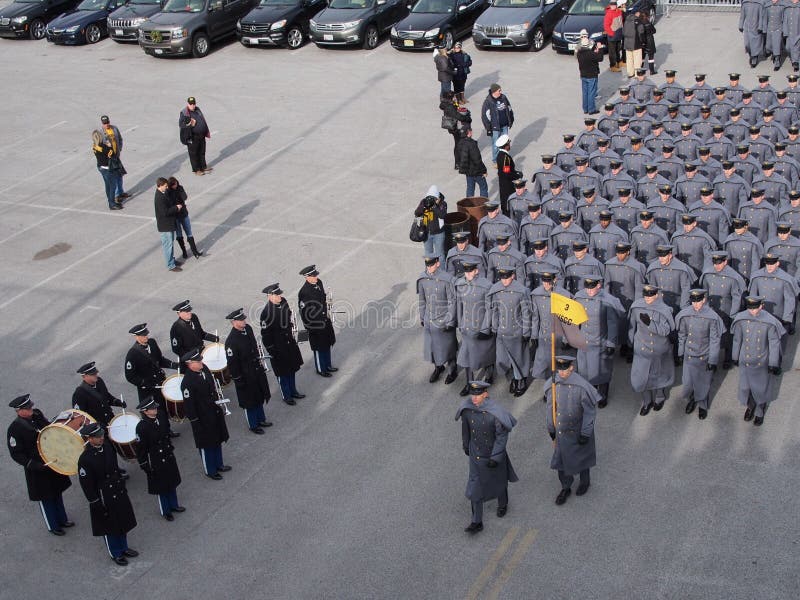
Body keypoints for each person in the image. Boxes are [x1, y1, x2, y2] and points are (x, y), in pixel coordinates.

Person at [455, 380, 518, 534]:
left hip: (492, 454)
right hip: (476, 455)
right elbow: (466, 430)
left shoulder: (495, 414)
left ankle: (503, 504)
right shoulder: (467, 410)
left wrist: (495, 457)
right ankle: (476, 521)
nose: (474, 398)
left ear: (485, 394)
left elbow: (501, 437)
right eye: (473, 394)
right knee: (475, 487)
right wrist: (466, 446)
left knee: (499, 480)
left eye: (478, 394)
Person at [6, 394, 73, 536]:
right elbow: (16, 454)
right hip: (36, 469)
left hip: (50, 460)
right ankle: (53, 525)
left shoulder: (36, 415)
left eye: (30, 406)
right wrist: (33, 465)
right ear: (19, 411)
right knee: (46, 498)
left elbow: (48, 427)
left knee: (57, 492)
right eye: (27, 408)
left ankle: (62, 519)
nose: (31, 409)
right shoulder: (15, 429)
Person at [77, 422, 138, 565]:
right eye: (97, 437)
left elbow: (115, 469)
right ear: (90, 439)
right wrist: (95, 502)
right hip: (103, 495)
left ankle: (124, 547)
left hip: (116, 489)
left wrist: (121, 485)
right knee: (110, 526)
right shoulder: (85, 459)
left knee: (122, 521)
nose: (101, 438)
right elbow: (87, 485)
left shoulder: (108, 448)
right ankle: (115, 552)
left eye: (101, 435)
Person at [545, 356, 600, 505]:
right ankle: (565, 487)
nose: (562, 373)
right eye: (559, 370)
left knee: (582, 458)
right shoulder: (553, 385)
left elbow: (589, 412)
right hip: (562, 431)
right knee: (561, 461)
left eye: (565, 369)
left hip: (578, 429)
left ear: (571, 368)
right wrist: (551, 427)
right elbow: (550, 408)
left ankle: (585, 482)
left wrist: (586, 432)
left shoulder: (582, 387)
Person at [731, 296, 785, 426]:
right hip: (746, 358)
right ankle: (751, 406)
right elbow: (738, 339)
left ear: (761, 306)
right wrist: (735, 356)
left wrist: (773, 363)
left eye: (755, 308)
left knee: (760, 389)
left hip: (762, 360)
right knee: (745, 387)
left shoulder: (770, 322)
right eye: (750, 308)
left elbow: (773, 344)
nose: (752, 311)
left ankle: (760, 411)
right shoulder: (741, 319)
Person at [180, 349, 232, 479]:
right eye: (198, 361)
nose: (201, 362)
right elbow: (189, 406)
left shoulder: (204, 369)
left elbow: (212, 387)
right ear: (190, 364)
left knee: (217, 439)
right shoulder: (187, 382)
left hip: (213, 411)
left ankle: (219, 463)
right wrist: (196, 422)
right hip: (202, 417)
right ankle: (210, 470)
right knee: (207, 444)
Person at [574, 277, 624, 408]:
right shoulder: (579, 297)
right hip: (583, 341)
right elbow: (575, 319)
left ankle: (602, 395)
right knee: (584, 371)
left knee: (602, 370)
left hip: (600, 342)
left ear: (599, 285)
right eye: (587, 287)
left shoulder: (607, 301)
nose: (589, 291)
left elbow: (612, 324)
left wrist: (611, 344)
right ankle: (587, 394)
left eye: (592, 287)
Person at [124, 323, 180, 438]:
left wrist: (174, 365)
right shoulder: (132, 354)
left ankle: (166, 430)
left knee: (162, 409)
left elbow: (160, 360)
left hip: (159, 383)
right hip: (148, 390)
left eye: (146, 334)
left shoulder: (152, 343)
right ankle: (156, 436)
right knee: (152, 413)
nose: (146, 337)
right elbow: (130, 376)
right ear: (136, 337)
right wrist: (144, 383)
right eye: (143, 335)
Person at [675, 289, 724, 420]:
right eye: (693, 301)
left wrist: (713, 360)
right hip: (689, 354)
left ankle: (702, 405)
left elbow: (714, 340)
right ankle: (692, 399)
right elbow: (682, 335)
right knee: (688, 382)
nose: (696, 304)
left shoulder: (712, 317)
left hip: (704, 354)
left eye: (698, 301)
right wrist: (680, 352)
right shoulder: (685, 315)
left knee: (703, 382)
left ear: (704, 300)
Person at [134, 396, 183, 521]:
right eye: (151, 408)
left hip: (167, 454)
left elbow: (165, 434)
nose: (155, 409)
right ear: (145, 411)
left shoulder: (160, 417)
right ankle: (166, 510)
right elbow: (141, 449)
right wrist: (144, 464)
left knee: (171, 482)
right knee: (162, 487)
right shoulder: (142, 427)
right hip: (155, 459)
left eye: (154, 407)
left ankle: (174, 505)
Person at [628, 285, 675, 413]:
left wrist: (650, 323)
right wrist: (630, 342)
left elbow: (665, 331)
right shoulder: (636, 307)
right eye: (645, 295)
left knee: (659, 374)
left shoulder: (664, 310)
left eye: (650, 295)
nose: (647, 298)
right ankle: (646, 401)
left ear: (656, 295)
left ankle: (659, 397)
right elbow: (632, 326)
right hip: (641, 347)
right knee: (642, 376)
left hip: (658, 348)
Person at [225, 308, 272, 434]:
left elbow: (254, 346)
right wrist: (239, 381)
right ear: (234, 322)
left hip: (255, 370)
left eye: (244, 318)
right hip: (245, 375)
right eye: (241, 320)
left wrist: (259, 359)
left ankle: (261, 419)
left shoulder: (248, 329)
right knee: (249, 401)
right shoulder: (231, 341)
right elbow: (233, 364)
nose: (244, 321)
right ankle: (253, 424)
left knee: (259, 395)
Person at [488, 268, 532, 396]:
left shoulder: (521, 290)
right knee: (502, 359)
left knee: (519, 359)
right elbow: (495, 310)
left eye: (507, 277)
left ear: (512, 276)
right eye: (502, 277)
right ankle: (512, 377)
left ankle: (521, 381)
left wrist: (526, 332)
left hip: (516, 331)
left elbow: (526, 313)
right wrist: (494, 327)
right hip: (502, 331)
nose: (504, 280)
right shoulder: (496, 290)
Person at [454, 262, 496, 395]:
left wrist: (485, 329)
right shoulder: (460, 284)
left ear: (476, 271)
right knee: (466, 357)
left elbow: (490, 309)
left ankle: (489, 374)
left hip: (480, 327)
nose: (468, 274)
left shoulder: (486, 286)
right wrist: (460, 323)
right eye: (466, 271)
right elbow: (459, 305)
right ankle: (469, 383)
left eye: (470, 271)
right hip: (467, 327)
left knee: (485, 354)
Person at [260, 283, 305, 404]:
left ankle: (293, 390)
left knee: (292, 369)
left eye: (280, 294)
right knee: (283, 374)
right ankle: (287, 395)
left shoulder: (283, 302)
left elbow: (288, 314)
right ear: (270, 296)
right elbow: (266, 335)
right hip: (278, 348)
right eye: (277, 294)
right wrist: (272, 351)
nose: (280, 296)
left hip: (289, 343)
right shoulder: (266, 313)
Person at [700, 251, 746, 369]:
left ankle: (727, 358)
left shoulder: (733, 276)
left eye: (719, 263)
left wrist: (734, 313)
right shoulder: (708, 274)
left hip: (726, 310)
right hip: (712, 309)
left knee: (727, 337)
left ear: (725, 262)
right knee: (710, 336)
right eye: (715, 263)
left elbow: (736, 297)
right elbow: (705, 291)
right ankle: (712, 360)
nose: (717, 266)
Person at [417, 255, 459, 384]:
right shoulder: (423, 279)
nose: (429, 268)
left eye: (431, 265)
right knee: (433, 346)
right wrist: (422, 316)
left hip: (444, 318)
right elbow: (422, 300)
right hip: (430, 319)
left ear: (437, 263)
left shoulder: (446, 280)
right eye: (427, 265)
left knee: (449, 347)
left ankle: (453, 370)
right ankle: (438, 367)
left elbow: (453, 302)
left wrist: (450, 320)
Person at [298, 265, 337, 376]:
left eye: (316, 275)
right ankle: (321, 369)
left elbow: (322, 299)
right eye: (313, 276)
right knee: (319, 348)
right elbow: (304, 312)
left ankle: (328, 365)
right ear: (307, 277)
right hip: (315, 325)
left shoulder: (318, 283)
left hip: (324, 320)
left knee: (327, 343)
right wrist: (310, 328)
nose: (316, 277)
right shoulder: (304, 292)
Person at [72, 361, 127, 427]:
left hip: (110, 418)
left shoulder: (99, 381)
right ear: (84, 376)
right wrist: (93, 426)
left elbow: (105, 396)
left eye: (96, 373)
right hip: (97, 426)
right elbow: (79, 415)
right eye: (92, 374)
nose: (96, 375)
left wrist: (116, 402)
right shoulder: (79, 393)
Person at [169, 300, 219, 370]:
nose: (189, 313)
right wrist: (191, 358)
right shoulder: (176, 328)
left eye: (189, 310)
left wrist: (213, 338)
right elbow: (176, 349)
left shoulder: (194, 317)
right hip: (190, 359)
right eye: (187, 311)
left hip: (201, 352)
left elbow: (200, 333)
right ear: (179, 313)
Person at [168, 177, 203, 259]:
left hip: (183, 213)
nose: (175, 186)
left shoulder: (180, 188)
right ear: (170, 185)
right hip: (176, 216)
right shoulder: (168, 192)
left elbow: (185, 197)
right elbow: (170, 202)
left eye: (176, 183)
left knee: (189, 232)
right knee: (179, 235)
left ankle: (195, 251)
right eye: (174, 185)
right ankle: (184, 251)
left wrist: (180, 195)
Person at [154, 177, 183, 273]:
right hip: (165, 226)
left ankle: (172, 260)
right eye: (165, 186)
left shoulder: (162, 193)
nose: (167, 188)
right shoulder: (159, 198)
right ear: (160, 186)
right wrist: (176, 207)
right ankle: (171, 265)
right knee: (168, 245)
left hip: (169, 224)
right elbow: (165, 212)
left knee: (170, 244)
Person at [414, 185, 448, 266]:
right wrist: (424, 206)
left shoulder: (442, 203)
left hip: (438, 233)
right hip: (426, 233)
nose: (431, 199)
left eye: (433, 198)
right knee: (428, 255)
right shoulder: (424, 201)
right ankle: (429, 273)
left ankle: (442, 274)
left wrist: (434, 206)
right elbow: (417, 213)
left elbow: (442, 215)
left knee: (440, 256)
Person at [481, 84, 514, 163]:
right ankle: (496, 160)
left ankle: (504, 158)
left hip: (504, 125)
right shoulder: (488, 102)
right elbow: (485, 116)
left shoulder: (503, 97)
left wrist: (511, 120)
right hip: (495, 127)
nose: (500, 92)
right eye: (499, 90)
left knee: (505, 143)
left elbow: (509, 109)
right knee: (496, 145)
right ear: (494, 91)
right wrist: (489, 128)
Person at [179, 96, 211, 176]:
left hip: (201, 135)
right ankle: (196, 170)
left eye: (193, 103)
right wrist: (190, 124)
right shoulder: (184, 113)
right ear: (188, 104)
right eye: (191, 104)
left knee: (202, 152)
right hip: (192, 136)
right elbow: (181, 125)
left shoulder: (197, 109)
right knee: (194, 154)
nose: (192, 105)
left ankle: (203, 166)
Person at [92, 130, 124, 210]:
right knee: (112, 186)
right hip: (107, 168)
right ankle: (112, 204)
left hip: (100, 167)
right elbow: (111, 154)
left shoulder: (95, 146)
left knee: (107, 184)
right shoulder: (104, 147)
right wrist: (109, 146)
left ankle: (110, 200)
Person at [100, 115, 128, 204]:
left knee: (120, 175)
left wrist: (119, 149)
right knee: (114, 177)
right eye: (105, 123)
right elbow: (100, 147)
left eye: (107, 122)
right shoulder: (101, 133)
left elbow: (120, 139)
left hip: (116, 156)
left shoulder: (114, 129)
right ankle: (116, 196)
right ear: (102, 123)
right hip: (110, 159)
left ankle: (121, 192)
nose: (106, 124)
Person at [576, 29, 604, 115]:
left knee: (585, 93)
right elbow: (600, 58)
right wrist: (600, 49)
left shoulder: (579, 53)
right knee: (591, 93)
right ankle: (591, 109)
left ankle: (585, 108)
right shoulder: (591, 54)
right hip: (591, 75)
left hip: (583, 75)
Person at [441, 91, 470, 170]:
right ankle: (458, 163)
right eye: (454, 97)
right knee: (458, 144)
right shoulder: (450, 106)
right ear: (450, 98)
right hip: (455, 127)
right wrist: (466, 116)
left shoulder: (448, 104)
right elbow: (457, 116)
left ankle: (458, 162)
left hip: (453, 126)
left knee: (458, 143)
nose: (455, 98)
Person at [457, 128, 489, 198]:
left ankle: (469, 205)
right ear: (469, 132)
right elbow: (477, 159)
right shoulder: (472, 144)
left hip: (468, 172)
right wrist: (484, 170)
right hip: (477, 171)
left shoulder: (460, 143)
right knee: (483, 187)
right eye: (471, 131)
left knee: (470, 189)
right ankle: (483, 205)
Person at [496, 135, 520, 215]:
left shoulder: (499, 155)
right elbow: (507, 173)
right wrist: (517, 175)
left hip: (503, 184)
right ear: (506, 146)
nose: (510, 145)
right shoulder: (506, 157)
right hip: (508, 186)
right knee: (508, 206)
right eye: (509, 144)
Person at [622, 9, 644, 78]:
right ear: (636, 13)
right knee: (637, 59)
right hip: (636, 43)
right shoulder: (637, 21)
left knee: (629, 59)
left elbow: (623, 32)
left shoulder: (626, 20)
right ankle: (637, 74)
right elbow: (641, 31)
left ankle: (630, 73)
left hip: (627, 43)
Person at [604, 0, 624, 72]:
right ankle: (612, 66)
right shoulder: (609, 13)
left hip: (618, 35)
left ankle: (618, 62)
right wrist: (611, 33)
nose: (613, 6)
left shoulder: (619, 11)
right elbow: (606, 26)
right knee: (612, 52)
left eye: (614, 5)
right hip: (612, 36)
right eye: (612, 5)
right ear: (610, 5)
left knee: (618, 50)